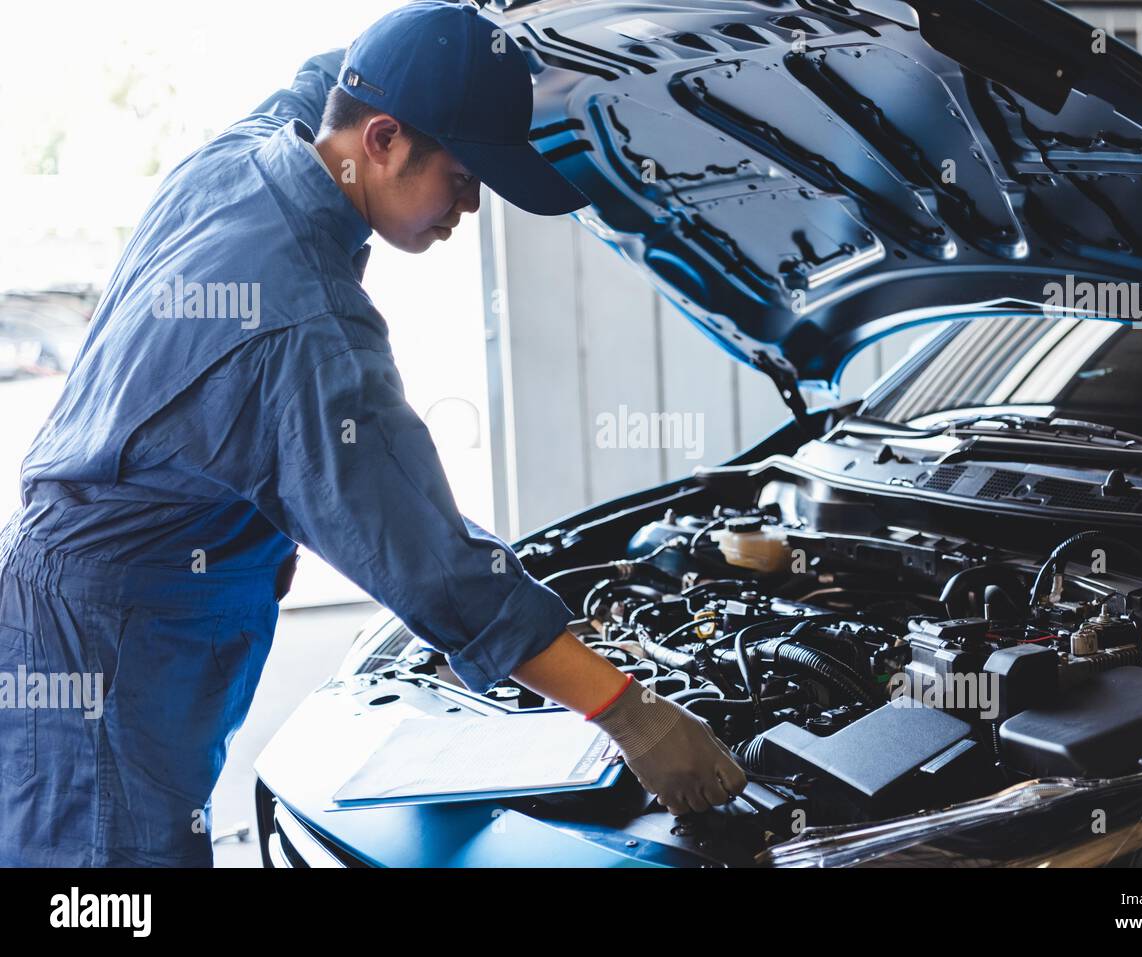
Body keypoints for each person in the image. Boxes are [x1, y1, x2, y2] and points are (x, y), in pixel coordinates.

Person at [0, 1, 745, 867]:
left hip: (100, 609)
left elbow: (333, 75)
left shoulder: (251, 154)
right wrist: (630, 712)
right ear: (384, 140)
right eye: (464, 176)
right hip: (100, 649)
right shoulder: (304, 331)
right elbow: (434, 562)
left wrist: (470, 37)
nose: (470, 206)